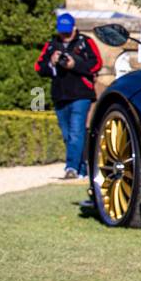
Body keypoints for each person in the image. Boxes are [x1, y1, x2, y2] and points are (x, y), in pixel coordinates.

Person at [35, 13, 102, 179]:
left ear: (74, 28)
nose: (65, 35)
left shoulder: (86, 42)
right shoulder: (52, 45)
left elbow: (97, 63)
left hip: (81, 94)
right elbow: (38, 67)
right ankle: (81, 169)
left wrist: (75, 64)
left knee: (76, 132)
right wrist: (51, 62)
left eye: (68, 31)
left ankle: (71, 168)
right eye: (62, 31)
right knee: (67, 135)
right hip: (60, 95)